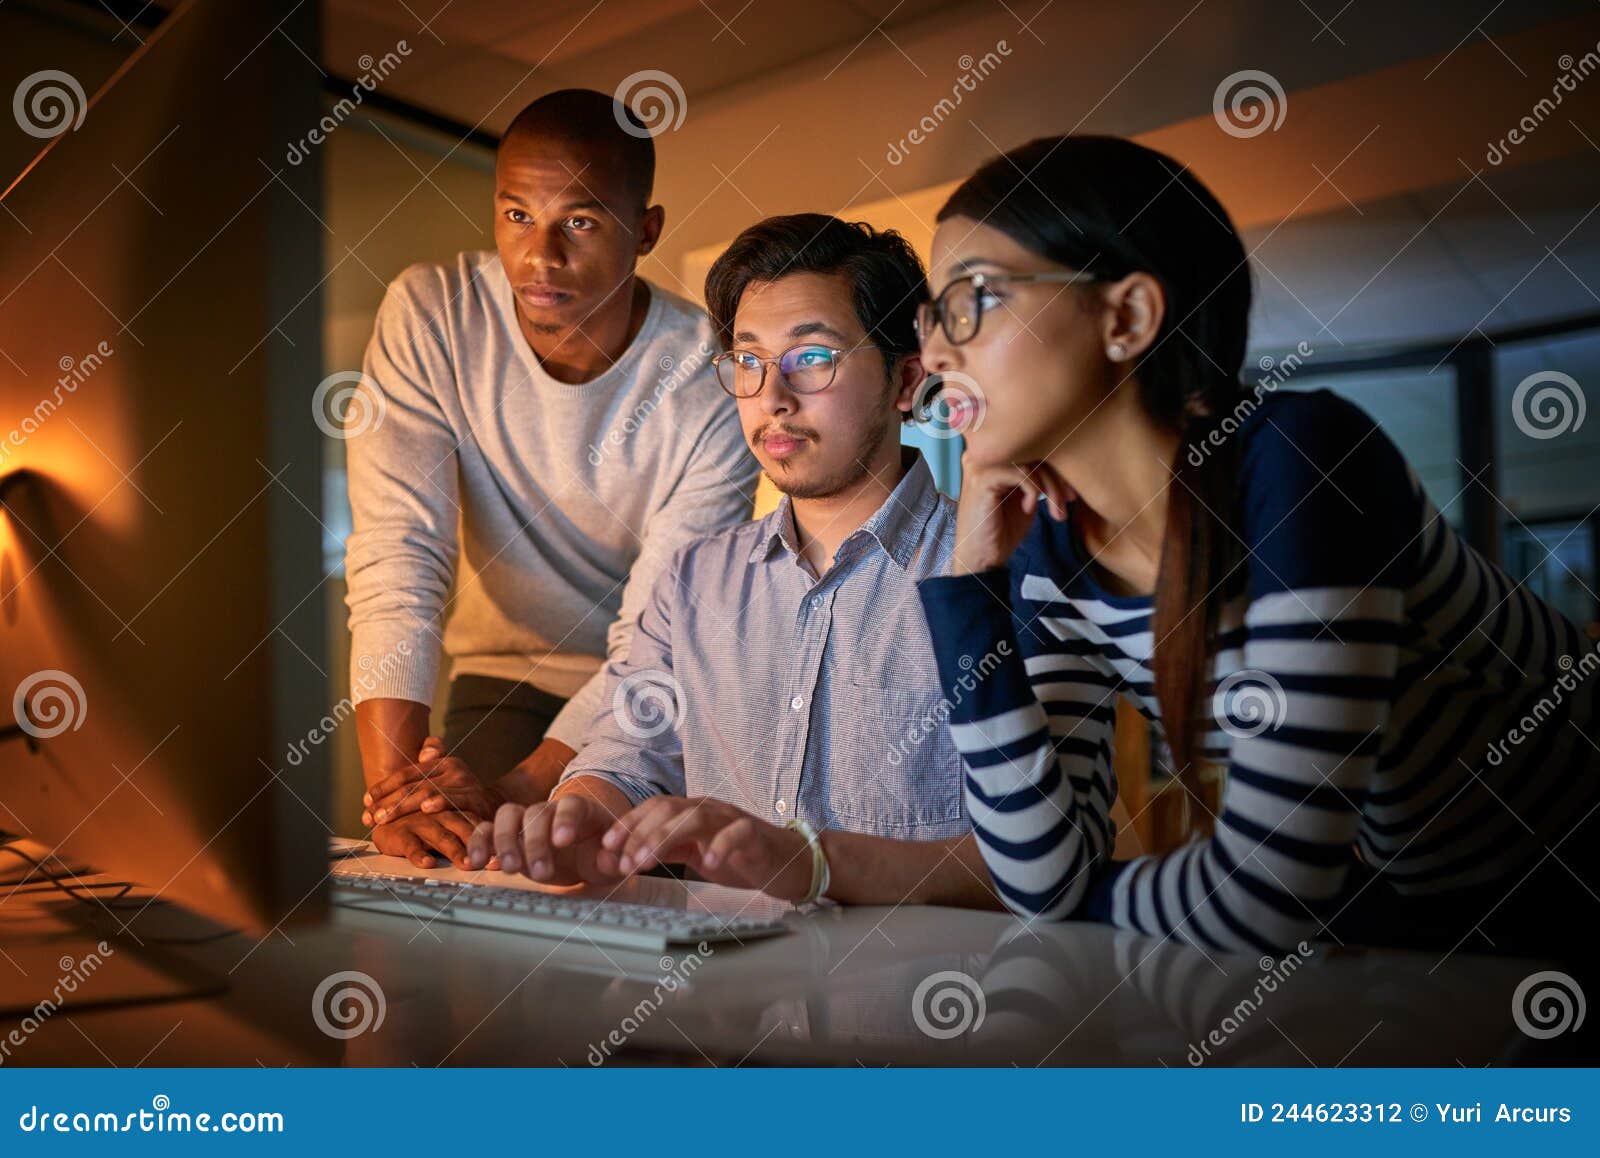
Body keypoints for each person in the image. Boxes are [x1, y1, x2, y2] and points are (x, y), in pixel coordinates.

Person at [913, 134, 1600, 960]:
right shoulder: (1050, 552)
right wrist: (969, 578)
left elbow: (1263, 896)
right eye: (933, 313)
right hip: (1425, 915)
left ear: (1126, 316)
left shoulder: (1305, 460)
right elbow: (1038, 876)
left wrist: (1090, 900)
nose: (936, 353)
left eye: (973, 297)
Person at [466, 214, 999, 909]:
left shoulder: (995, 570)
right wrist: (579, 817)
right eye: (748, 362)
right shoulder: (694, 581)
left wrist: (807, 862)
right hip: (720, 1004)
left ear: (905, 381)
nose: (772, 398)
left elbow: (1042, 862)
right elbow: (626, 755)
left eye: (812, 358)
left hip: (933, 1000)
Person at [346, 89, 759, 869]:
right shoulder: (432, 316)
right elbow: (398, 557)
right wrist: (401, 796)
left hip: (658, 685)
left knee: (622, 886)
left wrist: (522, 788)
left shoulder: (710, 375)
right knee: (451, 869)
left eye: (578, 221)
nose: (540, 258)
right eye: (516, 216)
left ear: (644, 231)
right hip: (506, 672)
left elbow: (658, 636)